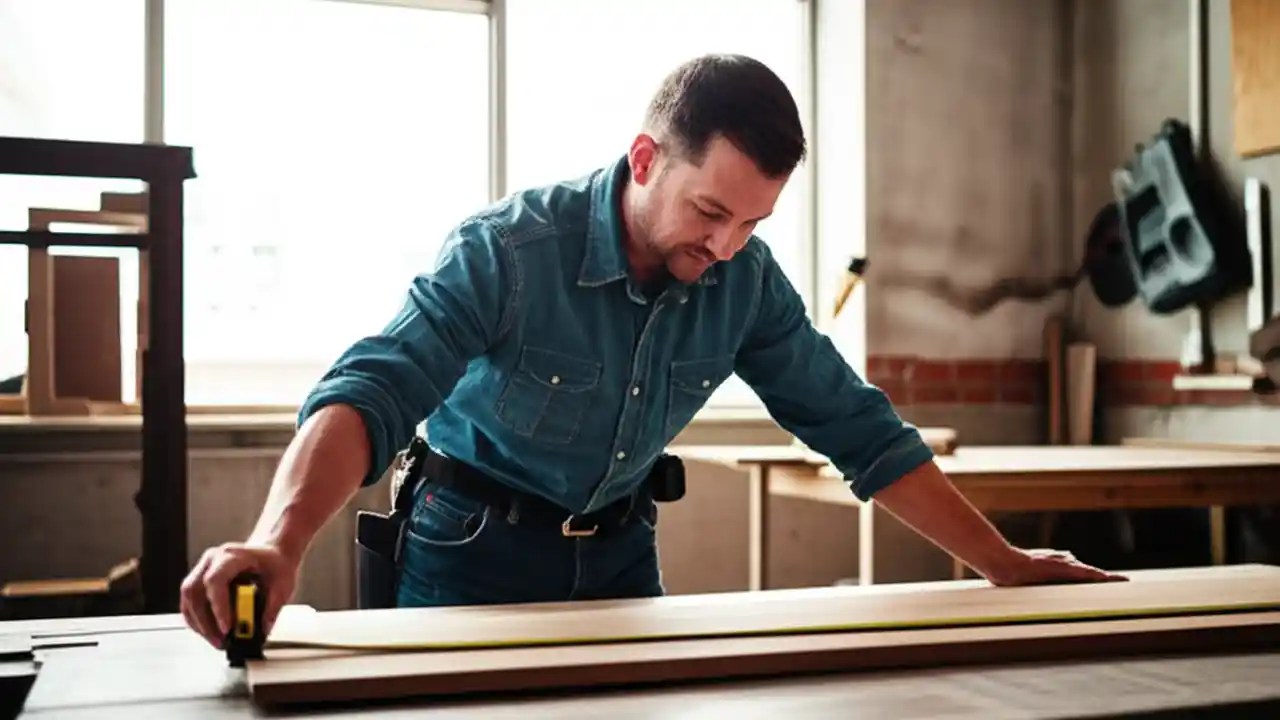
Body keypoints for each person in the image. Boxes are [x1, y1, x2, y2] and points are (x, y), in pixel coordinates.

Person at [180, 53, 1124, 649]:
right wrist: (278, 541)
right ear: (643, 160)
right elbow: (371, 393)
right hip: (468, 553)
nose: (721, 247)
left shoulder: (742, 281)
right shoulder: (508, 251)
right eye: (709, 211)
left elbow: (858, 429)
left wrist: (999, 562)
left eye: (751, 223)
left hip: (623, 555)